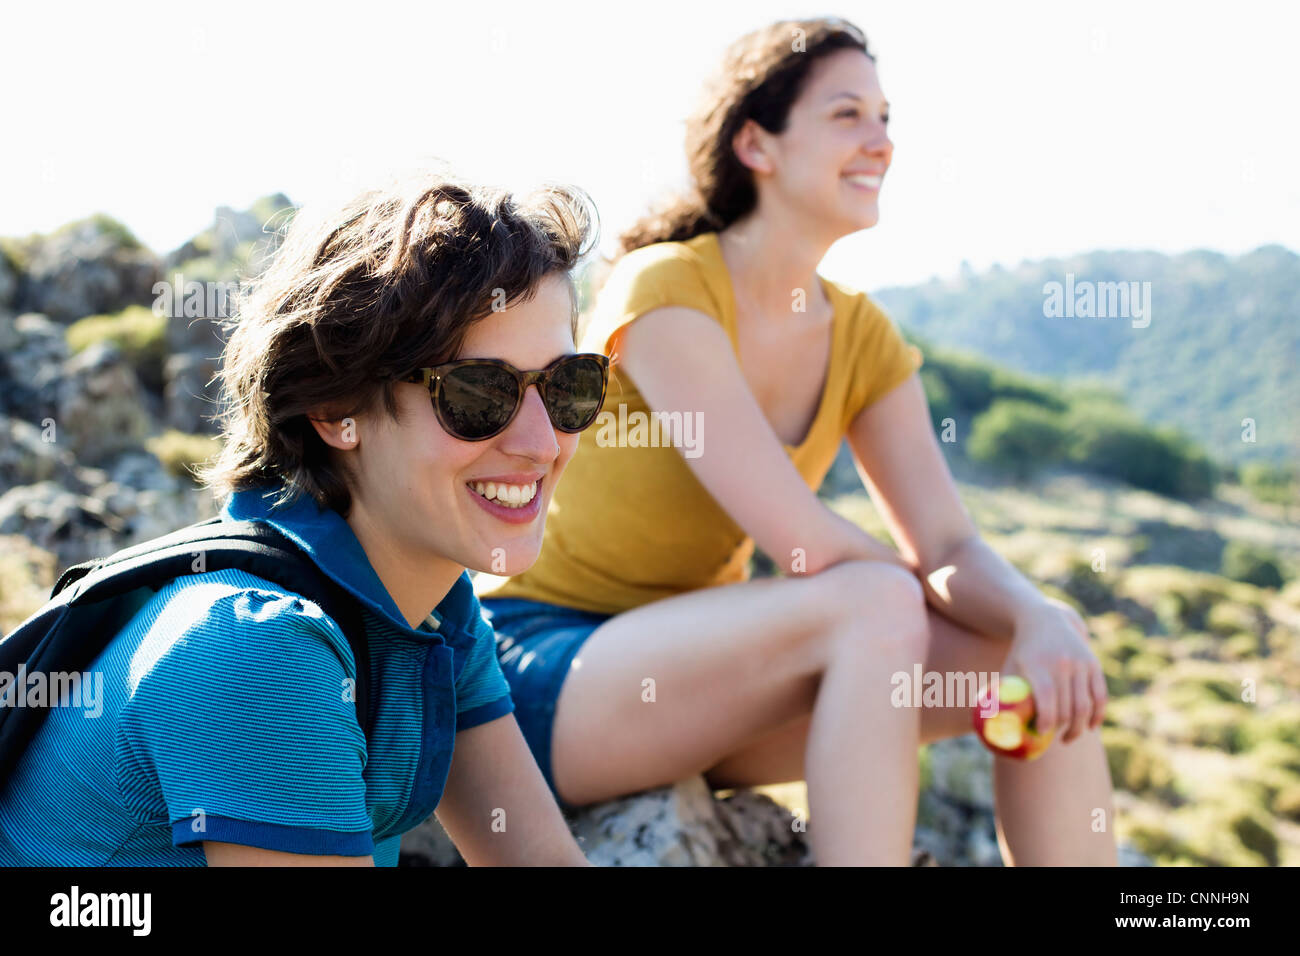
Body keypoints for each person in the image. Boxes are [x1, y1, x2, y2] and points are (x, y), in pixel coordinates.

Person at [477, 17, 1117, 866]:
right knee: (879, 603)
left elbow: (949, 542)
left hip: (711, 689)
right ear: (757, 144)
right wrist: (925, 605)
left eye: (887, 118)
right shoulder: (667, 289)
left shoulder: (864, 336)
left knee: (1035, 659)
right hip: (549, 670)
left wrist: (1040, 617)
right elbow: (806, 547)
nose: (880, 141)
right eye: (848, 115)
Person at [0, 170, 604, 866]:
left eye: (568, 386)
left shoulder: (433, 609)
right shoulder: (255, 646)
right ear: (334, 409)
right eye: (477, 393)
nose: (540, 441)